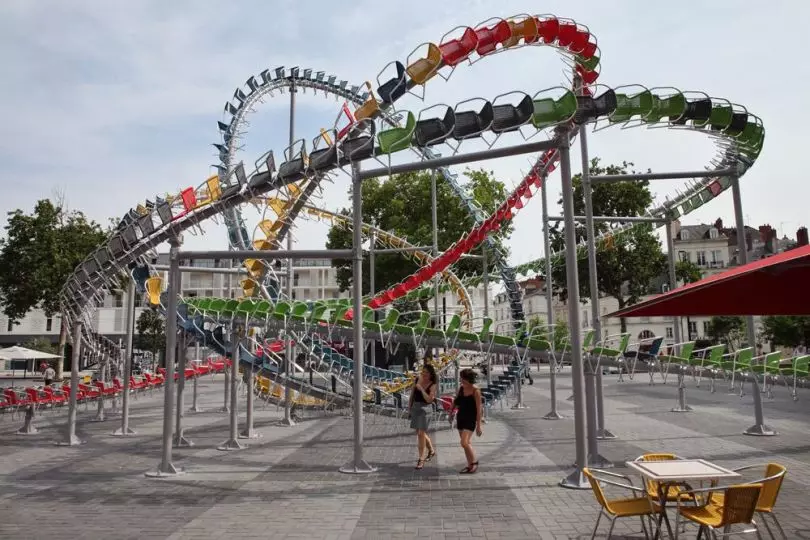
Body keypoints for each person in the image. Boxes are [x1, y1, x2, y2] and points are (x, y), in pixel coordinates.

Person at [451, 368, 483, 474]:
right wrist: (451, 413)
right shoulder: (461, 389)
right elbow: (455, 401)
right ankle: (469, 465)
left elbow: (479, 410)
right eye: (461, 378)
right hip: (461, 418)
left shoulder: (476, 391)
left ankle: (474, 462)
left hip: (470, 419)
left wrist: (479, 426)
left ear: (469, 379)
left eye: (463, 379)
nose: (462, 381)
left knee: (464, 443)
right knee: (466, 443)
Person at [409, 363, 437, 470]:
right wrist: (410, 406)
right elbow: (412, 394)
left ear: (431, 374)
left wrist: (421, 389)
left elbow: (429, 400)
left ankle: (421, 459)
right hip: (416, 407)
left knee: (420, 433)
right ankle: (431, 450)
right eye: (423, 372)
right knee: (419, 432)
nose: (424, 374)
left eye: (426, 372)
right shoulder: (417, 380)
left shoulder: (433, 384)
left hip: (426, 409)